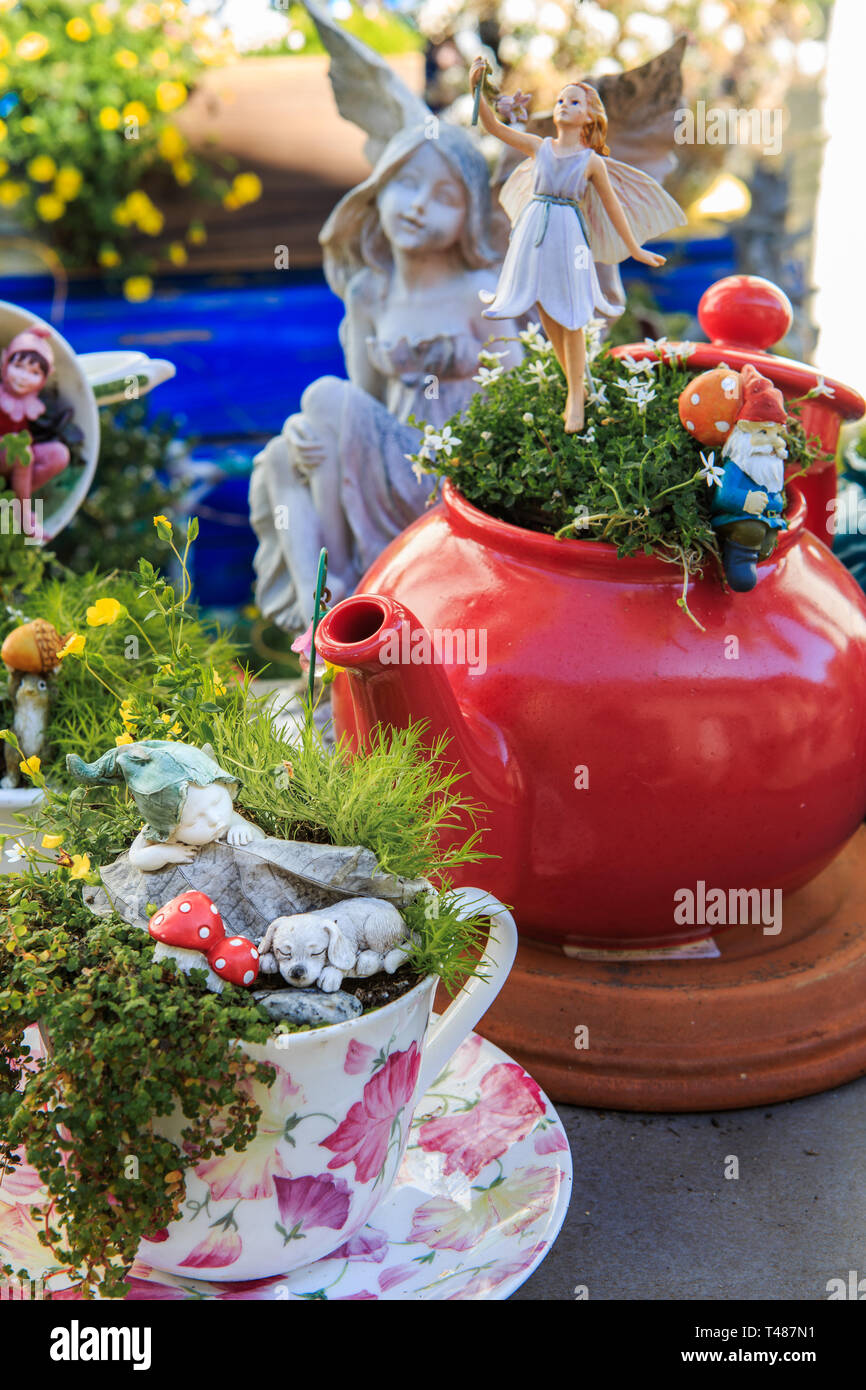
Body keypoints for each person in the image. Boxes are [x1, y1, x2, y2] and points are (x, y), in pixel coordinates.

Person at [249, 122, 520, 632]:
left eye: (445, 197)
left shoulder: (480, 293)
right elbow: (362, 406)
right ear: (377, 191)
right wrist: (309, 437)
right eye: (406, 184)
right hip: (388, 463)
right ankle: (322, 605)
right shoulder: (369, 292)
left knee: (322, 395)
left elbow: (522, 400)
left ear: (471, 219)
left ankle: (343, 578)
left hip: (455, 474)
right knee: (285, 455)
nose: (418, 205)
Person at [470, 59, 685, 433]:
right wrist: (477, 89)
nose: (564, 106)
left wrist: (634, 248)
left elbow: (615, 209)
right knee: (541, 305)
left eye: (574, 102)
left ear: (589, 117)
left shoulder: (591, 162)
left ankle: (575, 397)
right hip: (534, 230)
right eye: (560, 101)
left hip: (568, 234)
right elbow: (493, 126)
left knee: (571, 313)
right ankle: (575, 381)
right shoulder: (539, 147)